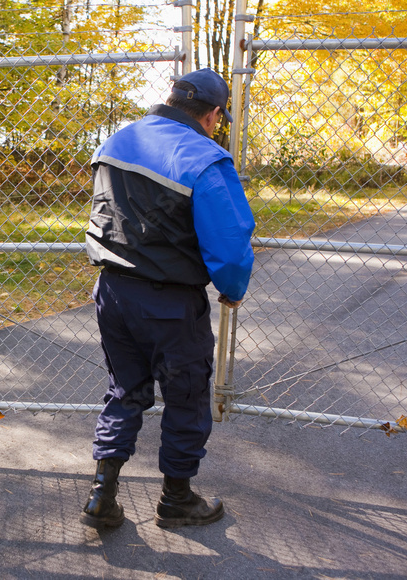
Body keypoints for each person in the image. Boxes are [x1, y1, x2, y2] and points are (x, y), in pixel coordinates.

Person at [80, 67, 255, 529]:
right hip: (169, 303)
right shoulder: (204, 157)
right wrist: (232, 291)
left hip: (112, 292)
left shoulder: (117, 142)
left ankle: (102, 494)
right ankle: (176, 500)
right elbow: (230, 242)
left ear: (172, 99)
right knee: (187, 396)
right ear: (214, 114)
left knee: (125, 390)